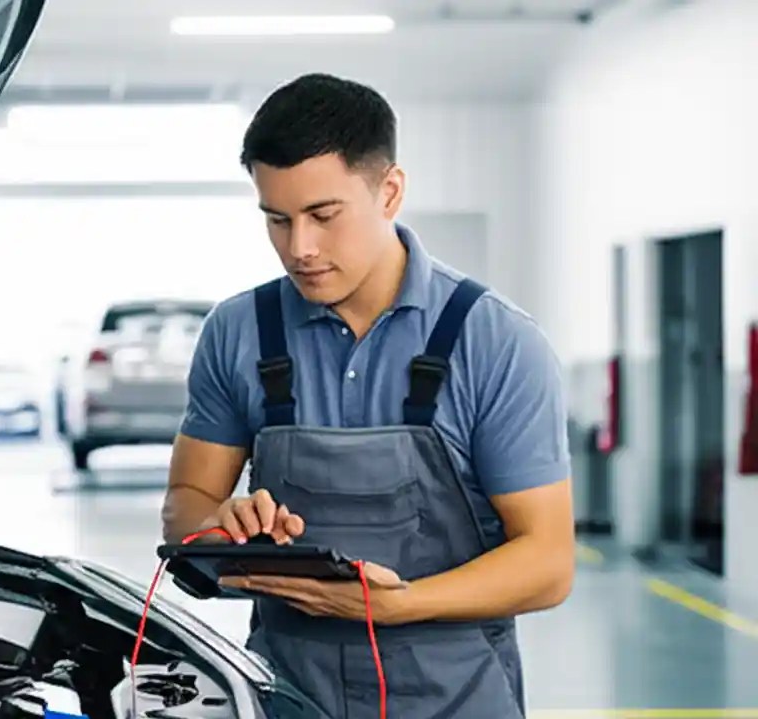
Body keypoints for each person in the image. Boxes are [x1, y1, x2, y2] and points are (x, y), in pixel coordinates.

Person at [159, 73, 574, 718]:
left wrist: (399, 604)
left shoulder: (496, 341)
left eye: (324, 216)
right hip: (287, 698)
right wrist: (221, 526)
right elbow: (186, 506)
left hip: (456, 702)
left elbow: (548, 563)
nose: (300, 249)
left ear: (390, 192)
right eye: (277, 219)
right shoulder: (238, 333)